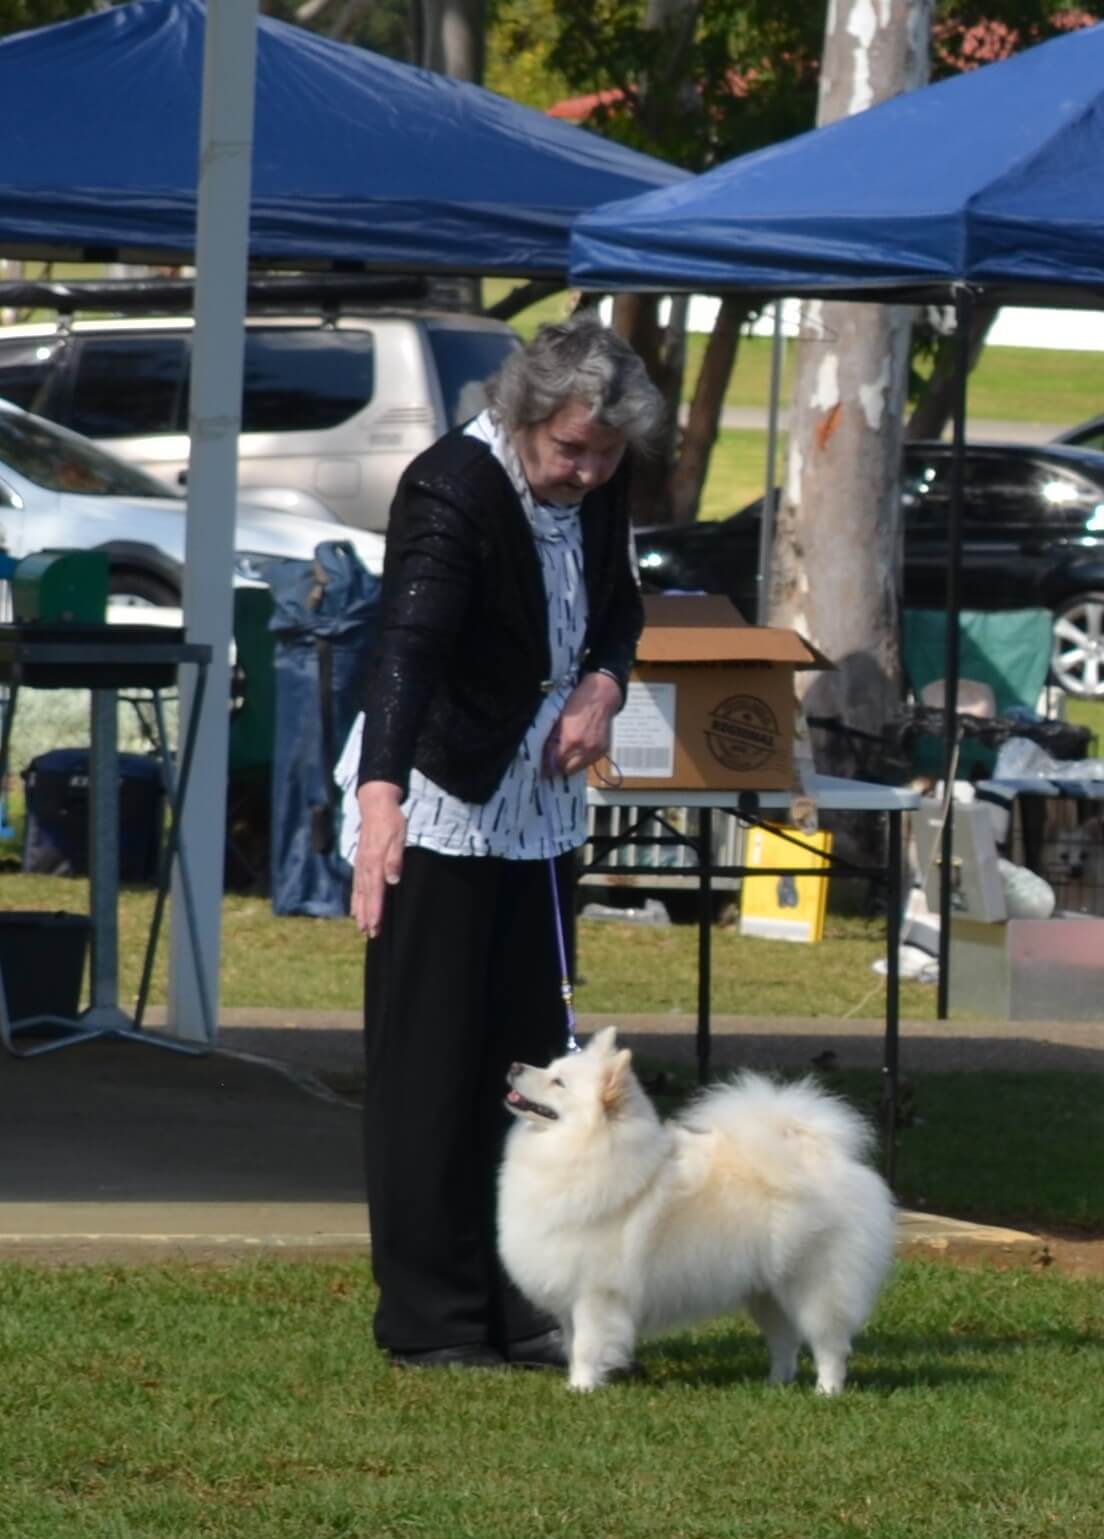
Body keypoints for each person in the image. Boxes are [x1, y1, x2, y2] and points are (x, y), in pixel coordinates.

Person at [351, 311, 664, 1369]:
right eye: (571, 451)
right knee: (430, 1062)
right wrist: (381, 796)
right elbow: (409, 646)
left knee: (530, 1064)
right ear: (525, 416)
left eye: (606, 455)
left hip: (540, 801)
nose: (585, 472)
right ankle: (429, 1316)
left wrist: (604, 685)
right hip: (441, 793)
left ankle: (514, 1296)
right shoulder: (451, 487)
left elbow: (619, 603)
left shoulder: (602, 480)